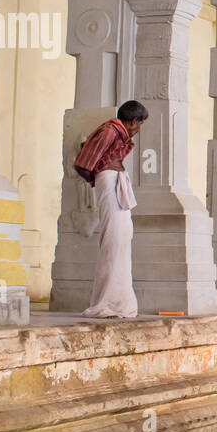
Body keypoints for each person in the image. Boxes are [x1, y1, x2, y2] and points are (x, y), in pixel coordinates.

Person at [74, 101, 148, 318]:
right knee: (113, 242)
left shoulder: (117, 132)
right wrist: (101, 174)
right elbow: (83, 162)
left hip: (115, 180)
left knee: (122, 240)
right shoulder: (110, 130)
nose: (138, 130)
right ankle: (107, 302)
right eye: (140, 124)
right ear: (133, 121)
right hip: (109, 181)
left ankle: (118, 302)